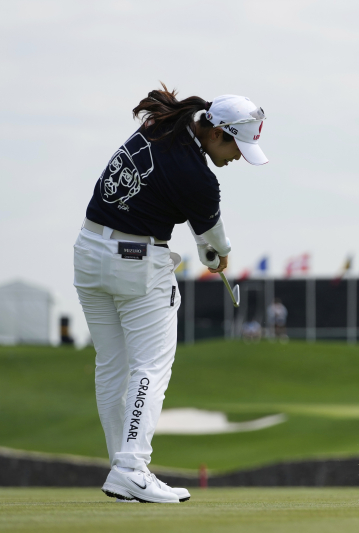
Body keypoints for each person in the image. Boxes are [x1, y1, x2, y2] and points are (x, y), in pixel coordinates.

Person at [73, 84, 268, 503]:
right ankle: (131, 467)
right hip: (135, 263)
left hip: (88, 252)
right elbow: (213, 243)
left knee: (111, 366)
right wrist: (218, 259)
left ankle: (122, 469)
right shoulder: (199, 177)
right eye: (238, 147)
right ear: (217, 133)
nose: (238, 158)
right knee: (151, 366)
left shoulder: (162, 126)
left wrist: (210, 250)